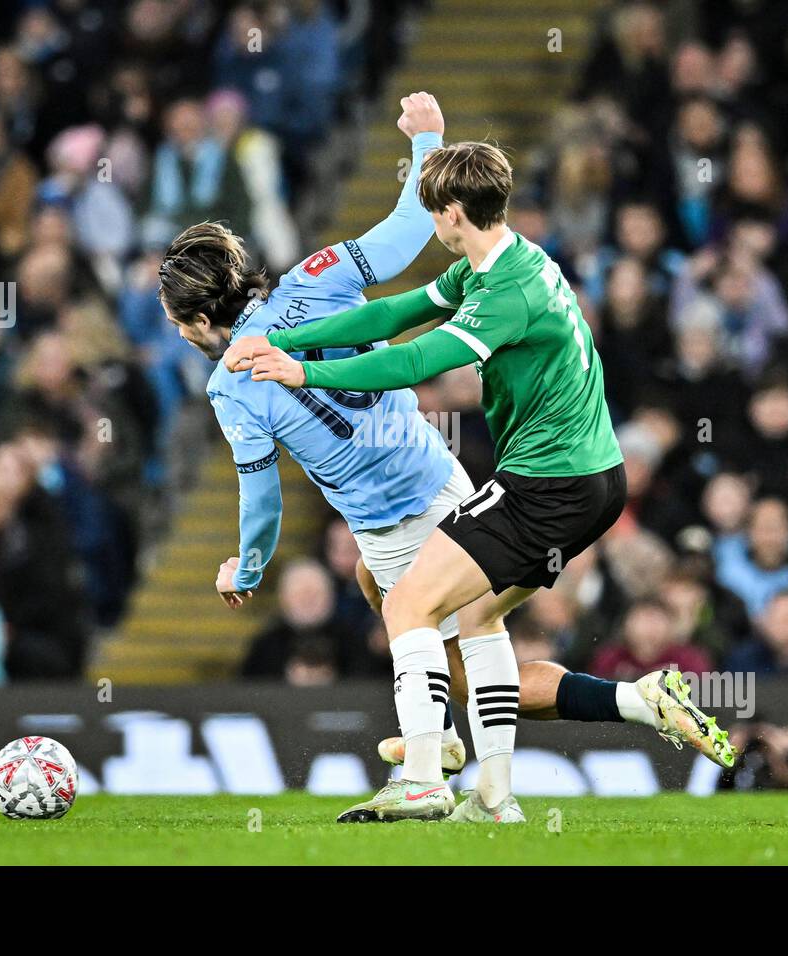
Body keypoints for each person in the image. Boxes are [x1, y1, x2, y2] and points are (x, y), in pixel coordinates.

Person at [165, 94, 733, 826]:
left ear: (199, 321)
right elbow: (399, 273)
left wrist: (246, 564)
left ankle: (429, 767)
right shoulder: (326, 272)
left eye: (443, 211)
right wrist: (427, 137)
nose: (436, 223)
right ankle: (512, 775)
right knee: (458, 626)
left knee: (410, 608)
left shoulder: (232, 386)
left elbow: (403, 369)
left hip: (500, 490)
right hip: (446, 478)